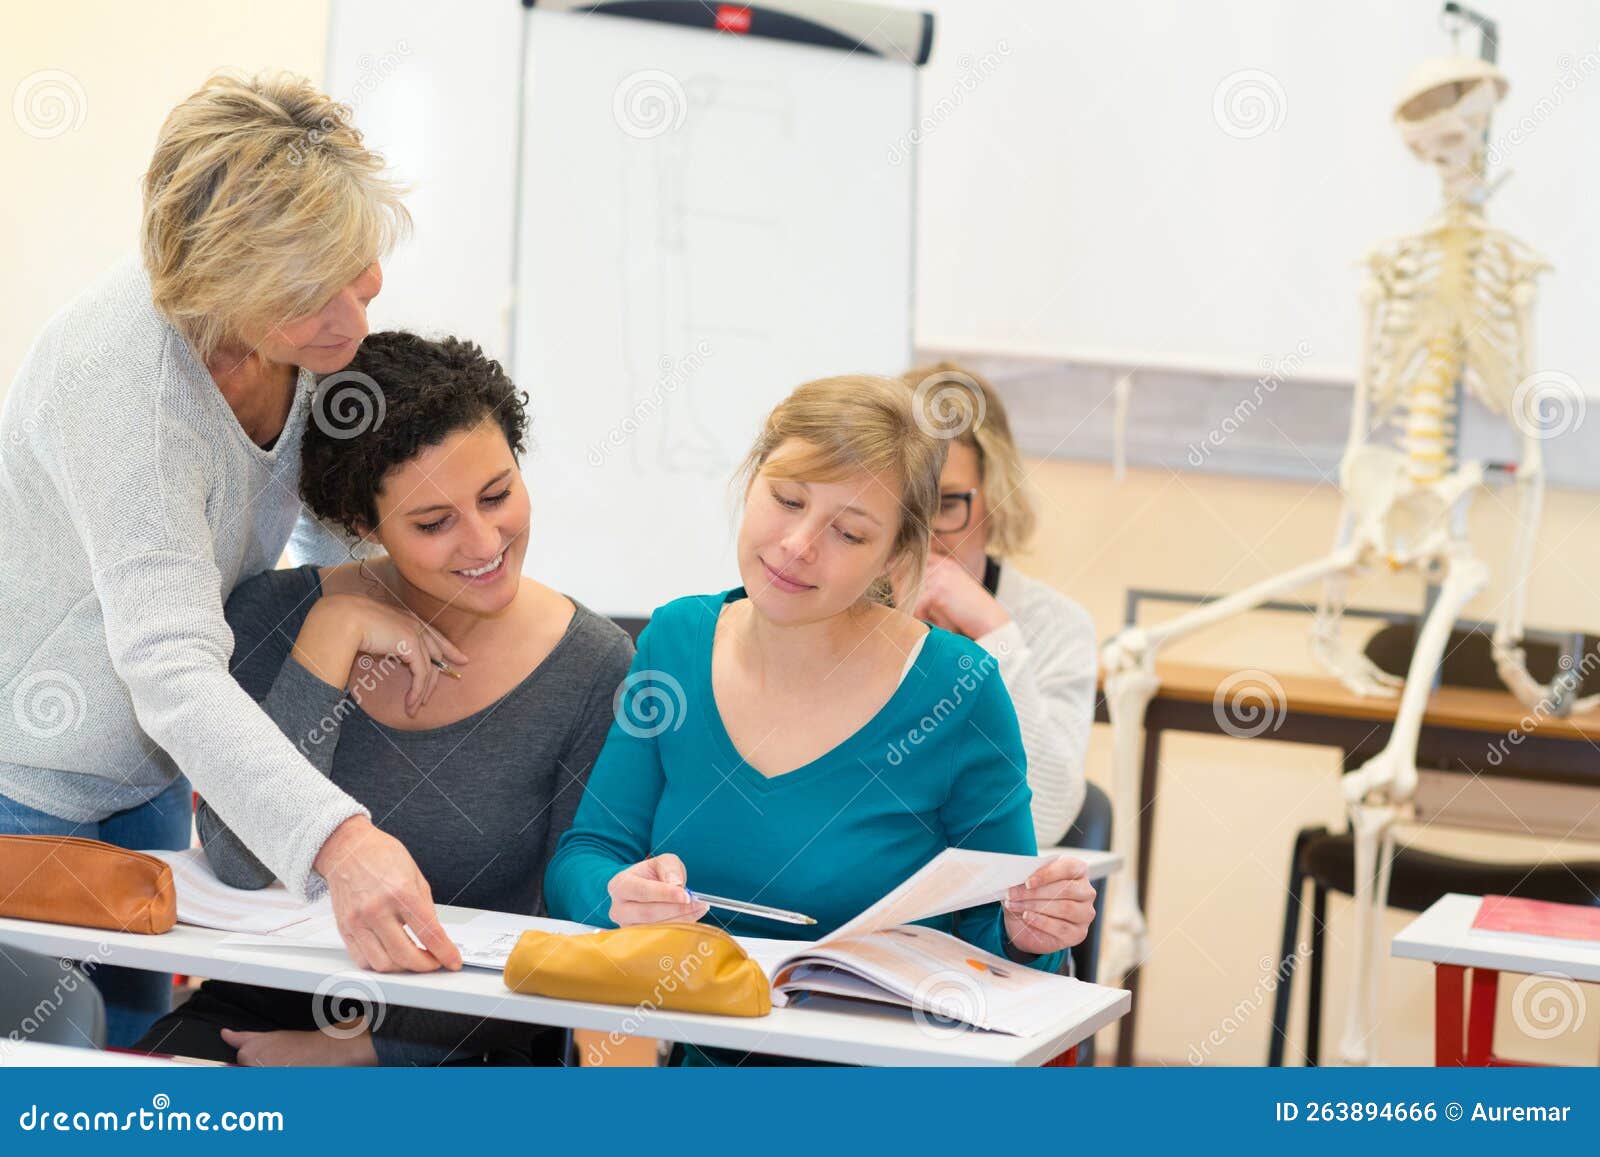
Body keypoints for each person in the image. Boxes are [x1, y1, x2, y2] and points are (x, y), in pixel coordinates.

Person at [0, 72, 459, 1047]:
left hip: (147, 775)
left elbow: (333, 524)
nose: (352, 322)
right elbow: (168, 662)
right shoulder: (120, 378)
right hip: (22, 781)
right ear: (218, 290)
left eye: (360, 271)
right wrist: (342, 842)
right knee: (56, 1066)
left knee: (140, 1053)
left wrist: (377, 596)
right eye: (308, 299)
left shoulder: (298, 337)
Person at [544, 374, 1097, 1065]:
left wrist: (1030, 932)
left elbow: (1000, 944)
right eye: (787, 499)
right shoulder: (676, 642)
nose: (799, 544)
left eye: (849, 532)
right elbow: (585, 856)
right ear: (751, 479)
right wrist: (616, 898)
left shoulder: (959, 689)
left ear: (896, 556)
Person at [133, 332, 633, 1065]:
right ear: (363, 525)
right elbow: (240, 861)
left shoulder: (593, 665)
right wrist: (328, 639)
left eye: (497, 495)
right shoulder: (271, 614)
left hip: (466, 1036)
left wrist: (355, 1050)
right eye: (434, 523)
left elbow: (571, 942)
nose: (484, 541)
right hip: (256, 1009)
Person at [899, 363, 1098, 846]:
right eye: (906, 506)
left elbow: (1046, 817)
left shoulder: (1055, 625)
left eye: (947, 504)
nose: (923, 537)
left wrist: (997, 637)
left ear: (996, 498)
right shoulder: (840, 606)